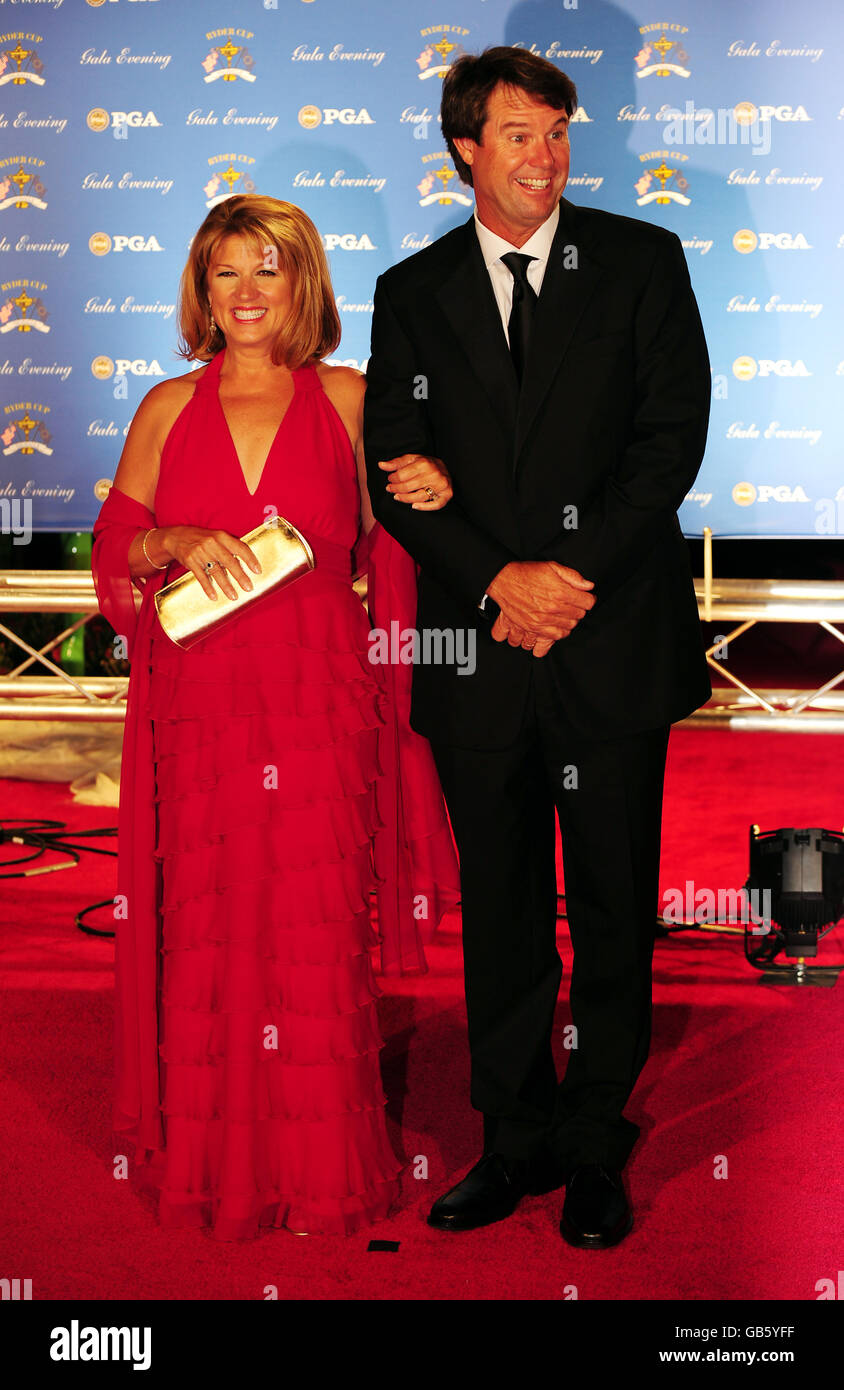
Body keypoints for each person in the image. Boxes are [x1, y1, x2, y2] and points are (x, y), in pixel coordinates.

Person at [364, 47, 711, 1248]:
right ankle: (512, 1139)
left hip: (609, 635)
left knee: (614, 906)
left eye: (557, 131)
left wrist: (567, 577)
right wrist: (498, 577)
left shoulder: (640, 262)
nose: (545, 154)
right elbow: (397, 467)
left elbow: (669, 442)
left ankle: (593, 1139)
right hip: (480, 645)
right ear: (464, 147)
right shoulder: (410, 291)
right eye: (519, 133)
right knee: (501, 908)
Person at [91, 194, 459, 1240]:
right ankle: (219, 1169)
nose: (247, 293)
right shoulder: (165, 407)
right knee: (208, 937)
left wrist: (432, 484)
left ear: (303, 284)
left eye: (269, 269)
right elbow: (116, 558)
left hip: (317, 706)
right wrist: (171, 544)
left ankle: (323, 1172)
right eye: (225, 273)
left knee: (312, 942)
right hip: (200, 711)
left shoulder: (348, 398)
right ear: (199, 290)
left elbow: (410, 533)